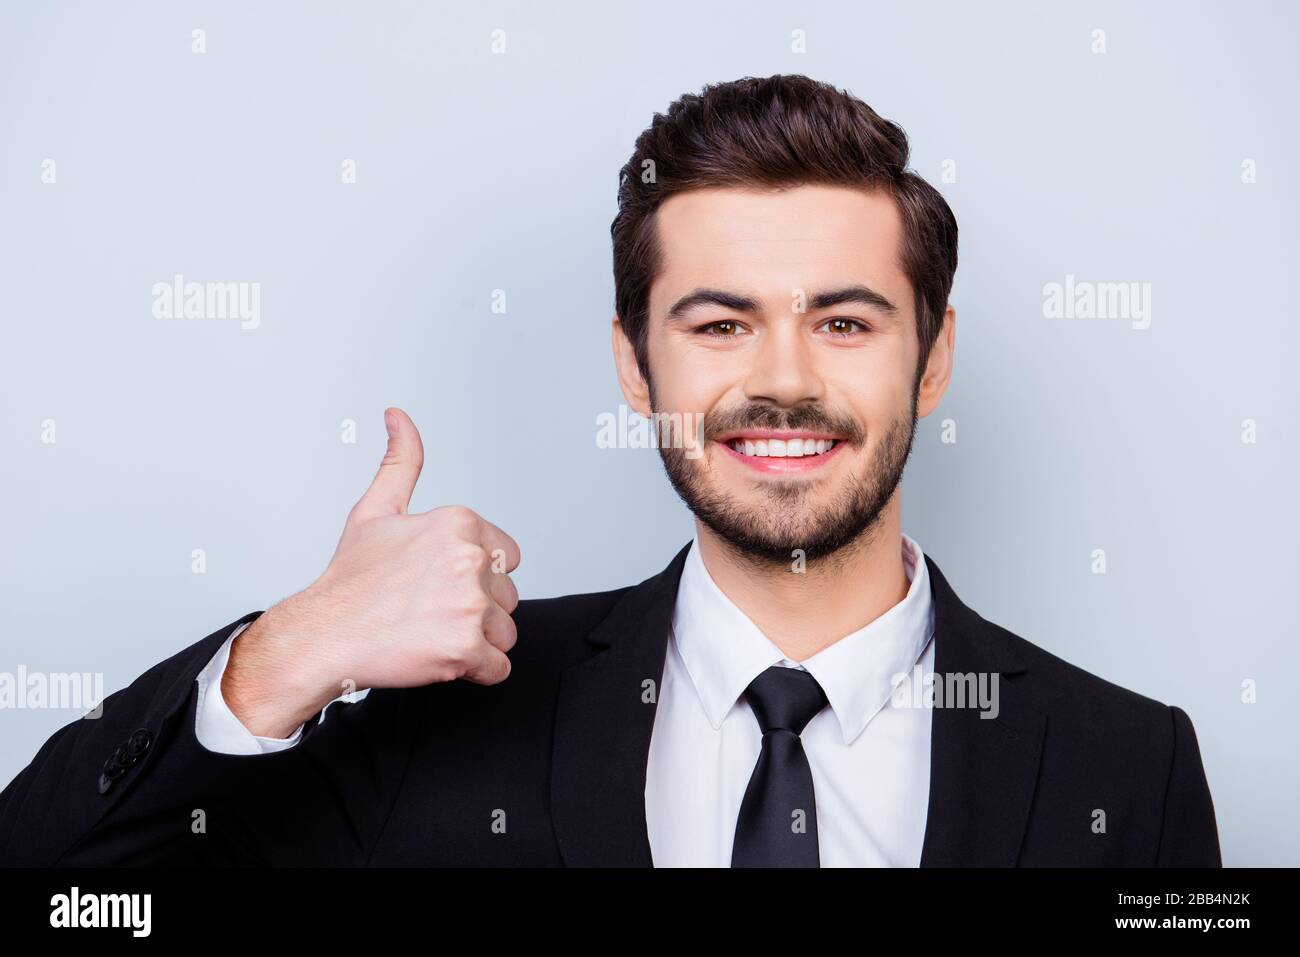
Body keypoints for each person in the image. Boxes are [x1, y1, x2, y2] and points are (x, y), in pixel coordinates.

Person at [0, 74, 1220, 867]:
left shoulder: (1130, 765)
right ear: (636, 369)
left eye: (844, 322)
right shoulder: (435, 726)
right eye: (718, 324)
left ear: (934, 358)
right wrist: (286, 652)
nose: (783, 380)